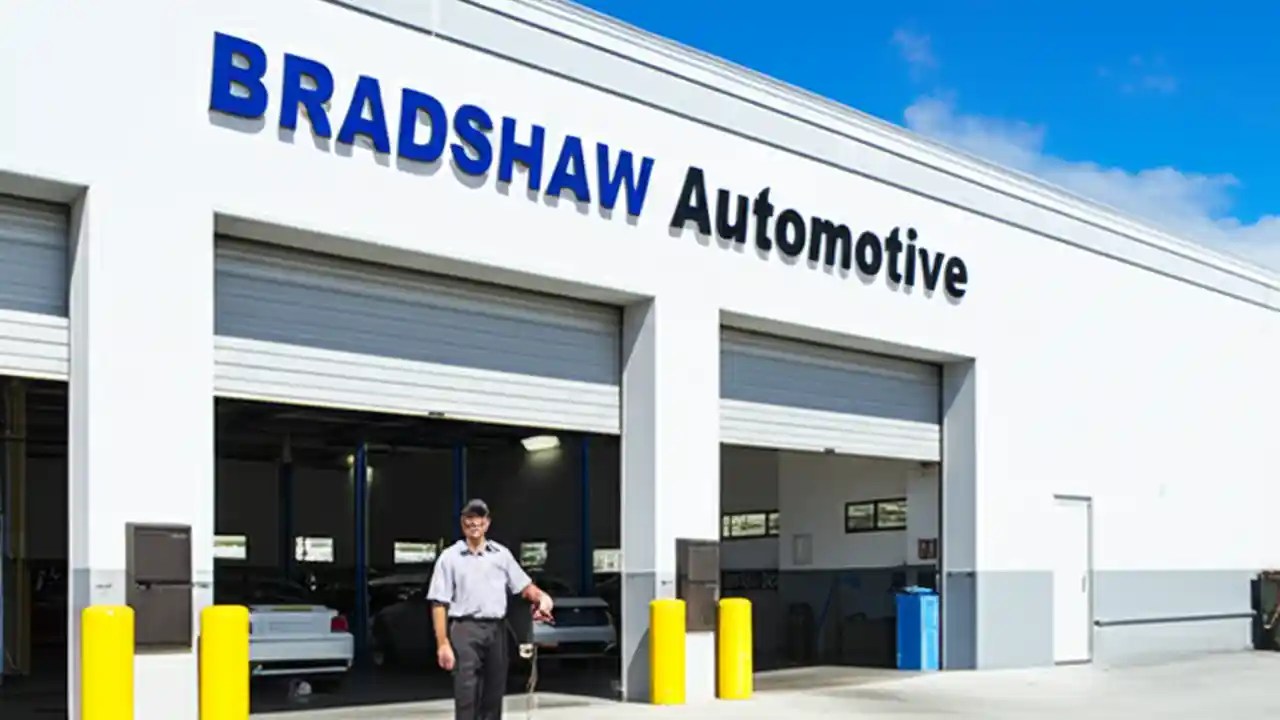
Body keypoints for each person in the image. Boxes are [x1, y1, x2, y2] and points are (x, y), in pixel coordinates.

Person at [427, 498, 555, 720]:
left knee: (494, 692)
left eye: (480, 518)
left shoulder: (501, 555)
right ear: (462, 523)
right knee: (466, 691)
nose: (475, 523)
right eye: (470, 518)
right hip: (464, 630)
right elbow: (439, 603)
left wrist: (542, 598)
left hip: (496, 630)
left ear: (487, 523)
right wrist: (443, 643)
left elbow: (524, 586)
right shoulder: (449, 558)